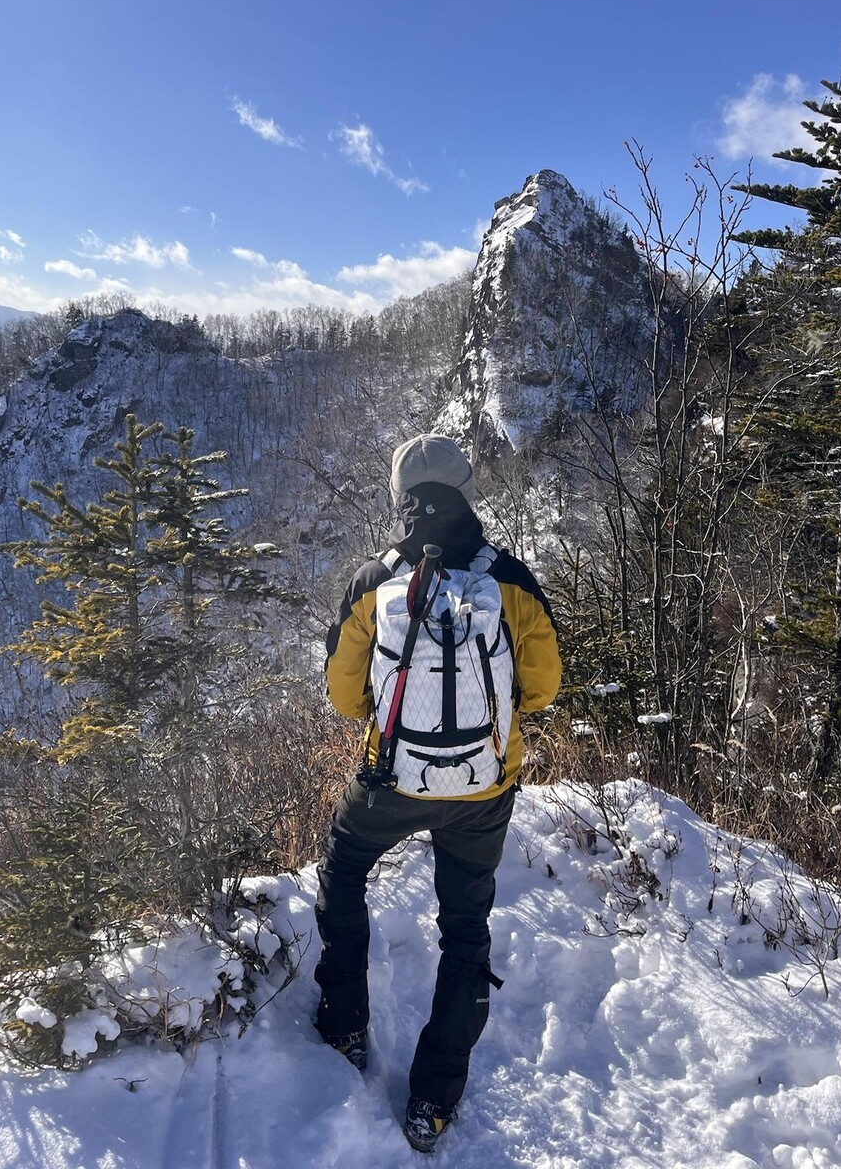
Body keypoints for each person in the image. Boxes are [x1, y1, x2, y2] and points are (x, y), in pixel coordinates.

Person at [314, 433, 562, 1153]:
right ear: (468, 492)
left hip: (391, 778)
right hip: (484, 788)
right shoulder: (511, 580)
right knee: (464, 929)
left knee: (345, 866)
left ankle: (344, 1024)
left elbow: (345, 699)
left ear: (401, 498)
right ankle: (433, 1102)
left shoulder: (374, 581)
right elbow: (543, 691)